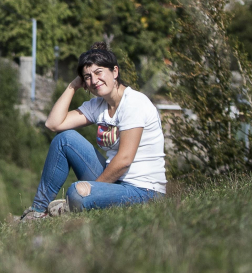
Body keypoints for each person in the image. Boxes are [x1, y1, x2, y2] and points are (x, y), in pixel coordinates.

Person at [20, 42, 167, 221]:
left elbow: (124, 161)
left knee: (77, 191)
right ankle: (37, 211)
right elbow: (53, 124)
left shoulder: (134, 104)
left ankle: (68, 207)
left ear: (115, 71)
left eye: (99, 72)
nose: (94, 80)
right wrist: (73, 86)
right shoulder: (98, 105)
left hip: (144, 191)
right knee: (64, 139)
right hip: (115, 182)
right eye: (87, 77)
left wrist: (92, 190)